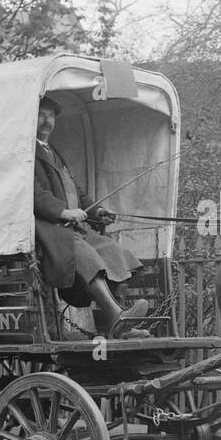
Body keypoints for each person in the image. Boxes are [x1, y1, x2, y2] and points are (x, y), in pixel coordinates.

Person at [33, 96, 151, 338]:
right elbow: (33, 194)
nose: (47, 121)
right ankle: (115, 314)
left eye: (51, 116)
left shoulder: (52, 150)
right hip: (47, 228)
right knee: (86, 255)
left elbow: (75, 191)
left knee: (112, 250)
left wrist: (96, 211)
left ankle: (119, 324)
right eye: (41, 115)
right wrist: (63, 211)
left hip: (70, 228)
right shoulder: (26, 152)